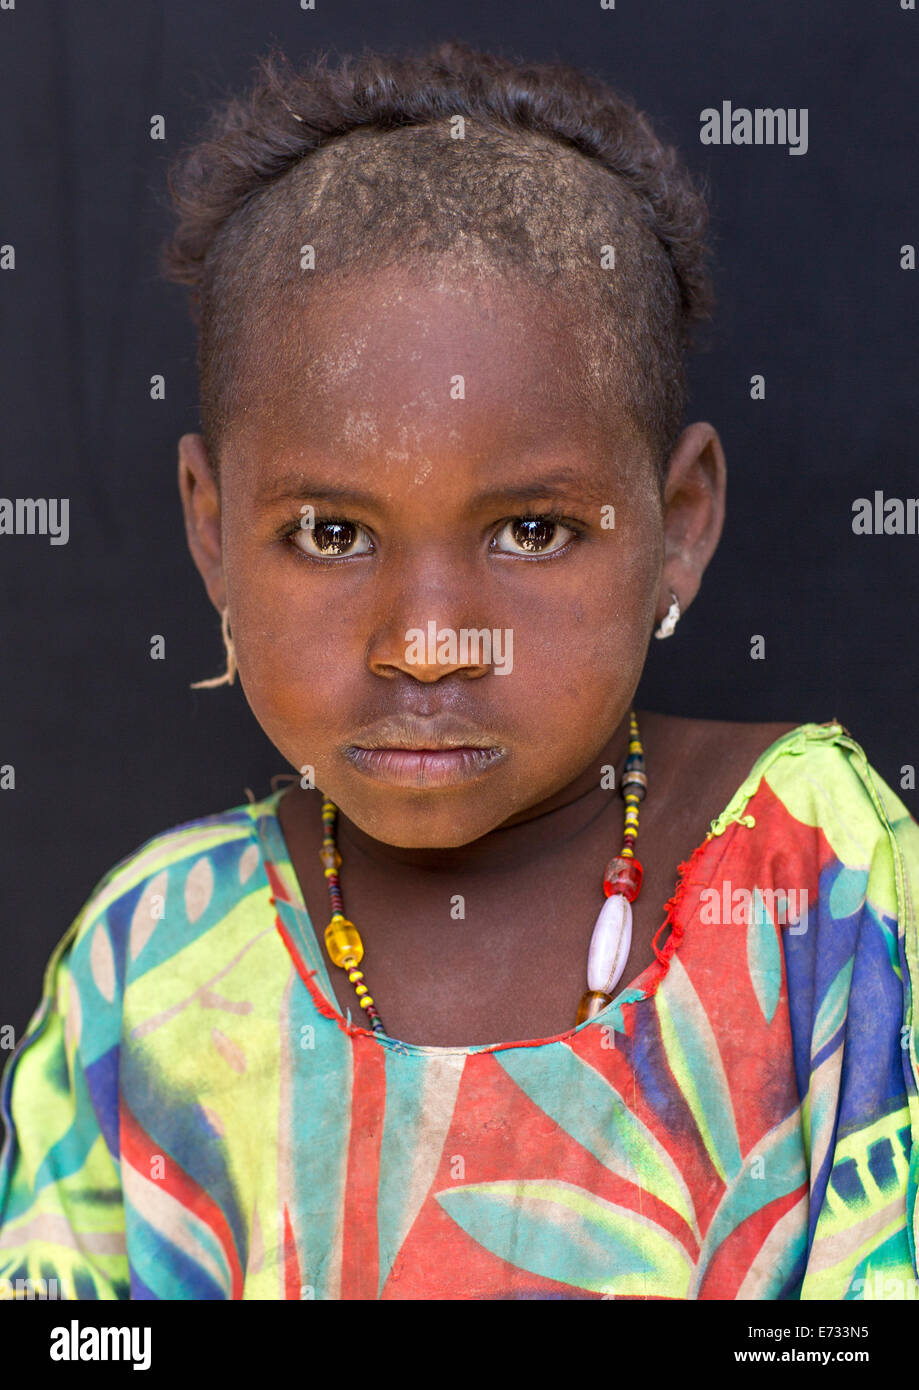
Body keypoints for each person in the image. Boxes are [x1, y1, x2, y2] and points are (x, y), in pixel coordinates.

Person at [2, 40, 918, 1302]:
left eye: (531, 530)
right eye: (331, 533)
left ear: (681, 522)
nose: (428, 642)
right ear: (211, 529)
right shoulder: (150, 962)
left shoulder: (819, 886)